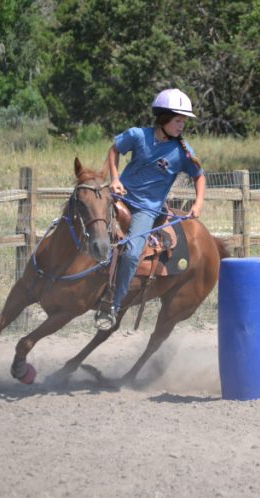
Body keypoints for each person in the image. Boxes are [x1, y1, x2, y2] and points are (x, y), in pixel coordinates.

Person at [96, 88, 206, 329]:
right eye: (178, 120)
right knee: (87, 218)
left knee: (133, 252)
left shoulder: (182, 152)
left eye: (184, 121)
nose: (182, 126)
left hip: (145, 210)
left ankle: (114, 305)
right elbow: (114, 150)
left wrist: (198, 203)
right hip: (119, 196)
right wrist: (114, 179)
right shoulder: (137, 136)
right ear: (164, 118)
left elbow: (199, 176)